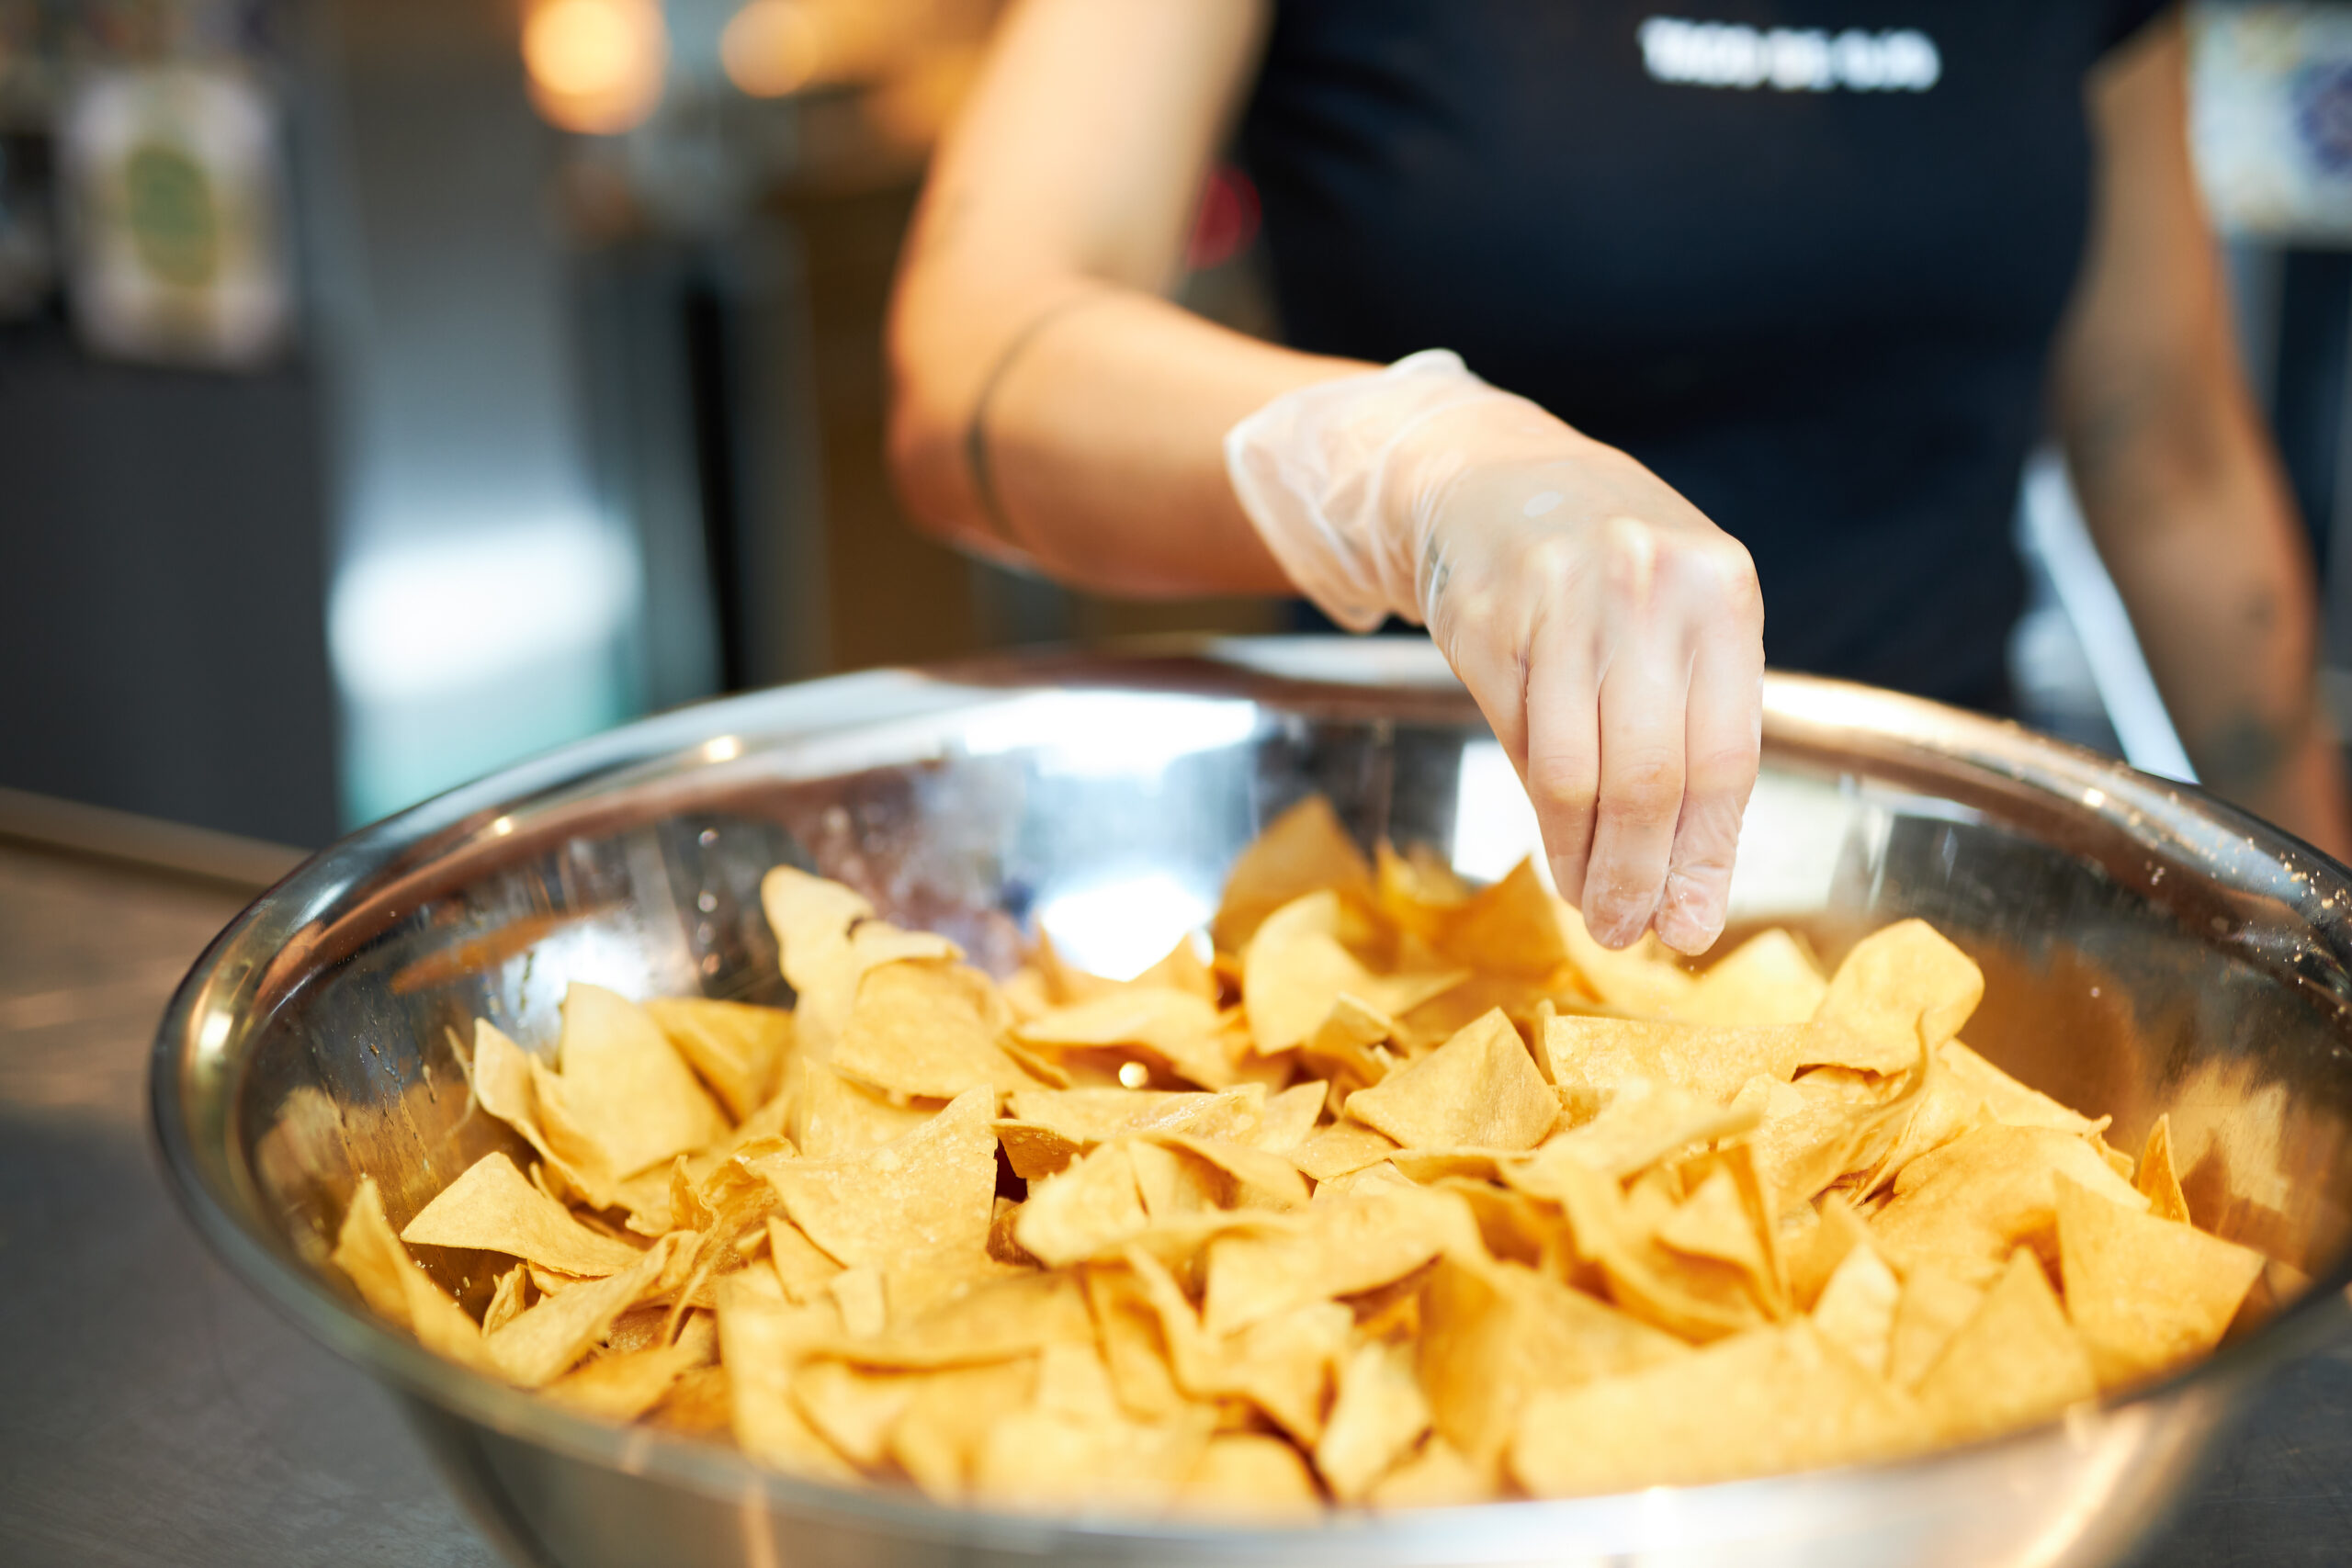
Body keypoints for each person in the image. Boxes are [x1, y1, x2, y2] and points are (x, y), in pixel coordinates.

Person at [885, 0, 2352, 956]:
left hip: (1946, 941)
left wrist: (2319, 939)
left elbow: (2170, 455)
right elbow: (971, 363)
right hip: (1426, 950)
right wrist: (1415, 461)